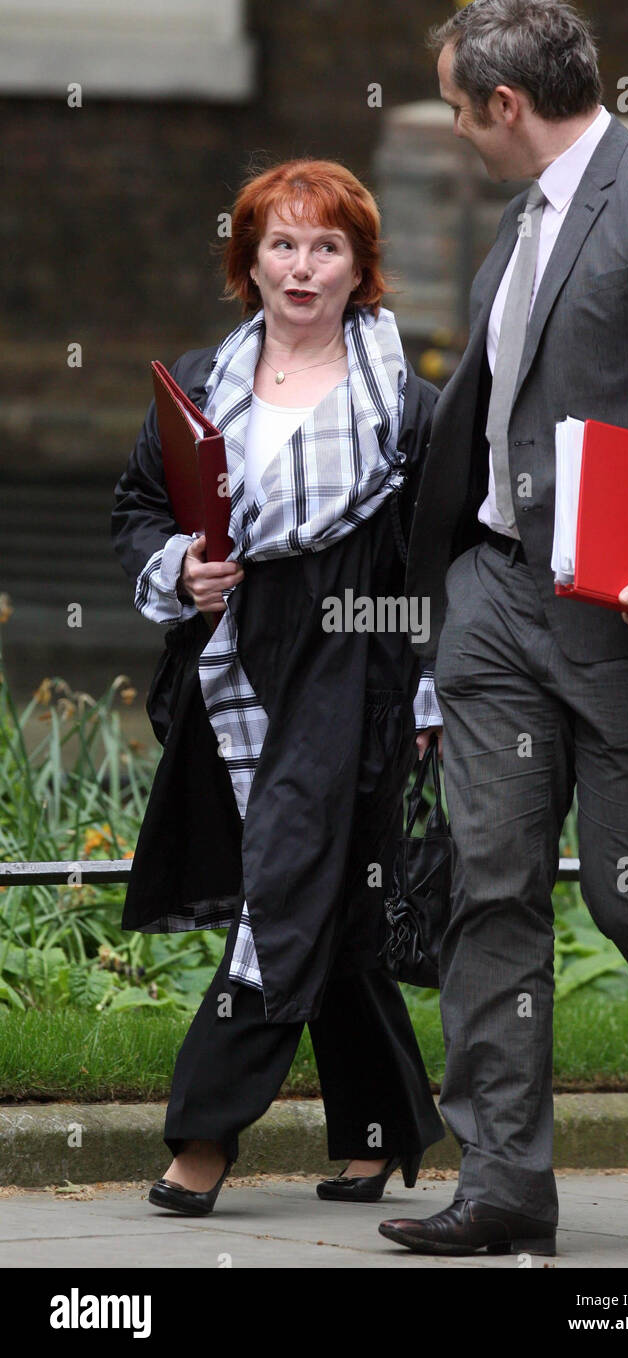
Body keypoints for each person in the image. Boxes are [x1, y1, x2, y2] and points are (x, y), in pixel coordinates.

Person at [378, 0, 628, 1257]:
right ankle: (504, 1183)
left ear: (504, 102)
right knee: (491, 884)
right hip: (493, 596)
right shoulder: (520, 225)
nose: (459, 133)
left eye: (458, 109)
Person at [111, 158, 445, 1217]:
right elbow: (137, 508)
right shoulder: (202, 382)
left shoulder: (411, 407)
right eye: (282, 245)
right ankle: (383, 1127)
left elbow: (442, 560)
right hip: (232, 658)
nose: (303, 267)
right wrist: (179, 567)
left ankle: (203, 1132)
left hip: (359, 655)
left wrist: (433, 693)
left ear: (362, 268)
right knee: (330, 895)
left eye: (328, 246)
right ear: (247, 261)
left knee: (287, 879)